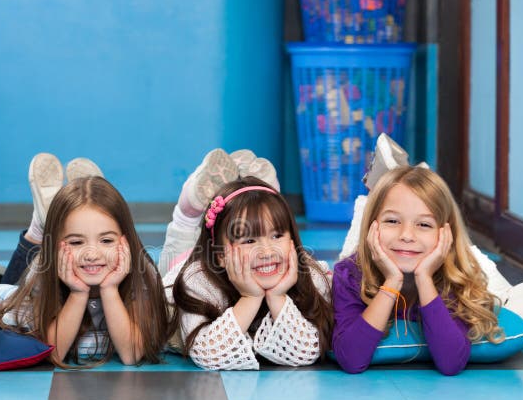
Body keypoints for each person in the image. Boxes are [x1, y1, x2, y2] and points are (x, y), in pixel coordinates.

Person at [0, 153, 170, 367]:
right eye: (76, 242)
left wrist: (110, 289)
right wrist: (78, 293)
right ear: (57, 245)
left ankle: (184, 218)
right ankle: (40, 226)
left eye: (106, 240)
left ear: (126, 240)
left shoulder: (141, 273)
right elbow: (53, 354)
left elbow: (131, 355)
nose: (92, 254)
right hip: (31, 275)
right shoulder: (44, 269)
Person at [163, 149, 334, 370]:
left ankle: (253, 198)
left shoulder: (311, 276)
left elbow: (306, 351)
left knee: (253, 215)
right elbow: (209, 355)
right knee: (176, 260)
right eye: (249, 241)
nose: (267, 251)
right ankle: (188, 213)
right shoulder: (197, 282)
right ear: (221, 256)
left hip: (225, 254)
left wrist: (278, 296)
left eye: (276, 235)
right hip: (187, 275)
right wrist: (250, 297)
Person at [332, 165, 504, 375]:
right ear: (372, 226)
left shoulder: (454, 279)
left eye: (424, 224)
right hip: (372, 256)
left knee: (496, 284)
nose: (406, 235)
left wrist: (424, 278)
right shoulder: (349, 274)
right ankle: (378, 190)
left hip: (452, 259)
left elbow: (451, 363)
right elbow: (351, 359)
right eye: (392, 221)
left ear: (444, 233)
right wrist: (392, 282)